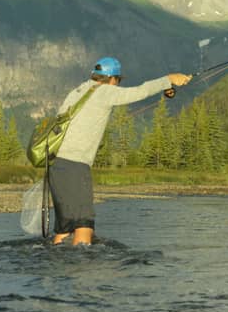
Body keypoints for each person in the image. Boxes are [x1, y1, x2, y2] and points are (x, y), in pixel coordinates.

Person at [49, 56, 191, 245]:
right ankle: (82, 269)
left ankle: (58, 267)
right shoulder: (105, 91)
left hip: (55, 165)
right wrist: (169, 80)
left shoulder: (77, 91)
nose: (118, 84)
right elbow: (139, 92)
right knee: (84, 225)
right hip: (75, 166)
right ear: (113, 78)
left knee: (64, 228)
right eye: (119, 80)